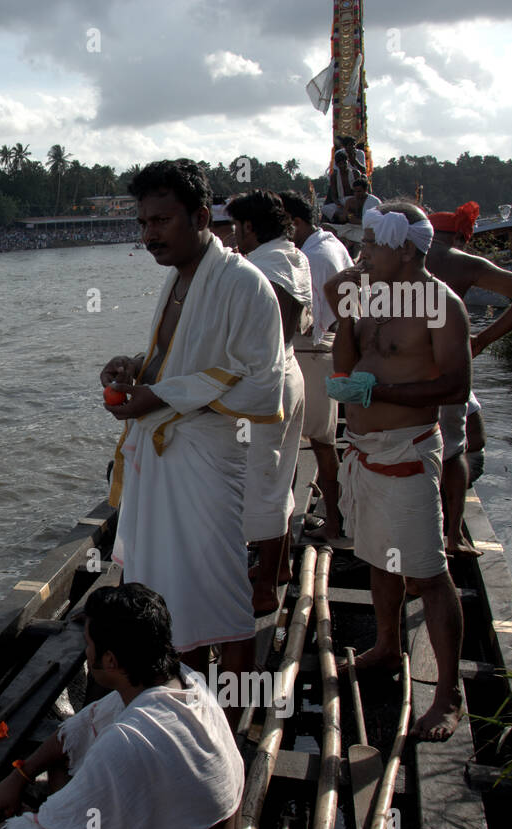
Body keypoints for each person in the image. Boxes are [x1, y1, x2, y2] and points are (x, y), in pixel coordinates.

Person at [100, 159, 284, 688]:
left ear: (201, 216)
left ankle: (231, 713)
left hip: (205, 458)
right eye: (143, 224)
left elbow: (261, 382)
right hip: (164, 456)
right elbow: (179, 361)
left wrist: (159, 393)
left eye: (160, 221)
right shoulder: (180, 280)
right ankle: (188, 697)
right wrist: (136, 368)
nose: (149, 234)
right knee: (166, 585)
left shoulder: (245, 285)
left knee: (221, 588)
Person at [0, 583, 243, 829]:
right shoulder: (182, 682)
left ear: (110, 661)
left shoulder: (129, 740)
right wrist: (20, 775)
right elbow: (77, 729)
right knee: (59, 768)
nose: (85, 650)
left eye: (88, 643)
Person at [324, 203, 471, 741]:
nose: (360, 253)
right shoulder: (372, 294)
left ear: (406, 248)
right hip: (365, 449)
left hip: (407, 450)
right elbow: (333, 295)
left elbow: (455, 385)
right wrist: (367, 266)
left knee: (429, 576)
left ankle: (449, 691)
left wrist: (377, 390)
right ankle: (387, 646)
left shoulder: (441, 306)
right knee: (377, 558)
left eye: (371, 243)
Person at [425, 201, 512, 554]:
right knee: (455, 448)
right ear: (459, 238)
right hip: (447, 364)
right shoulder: (461, 262)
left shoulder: (401, 260)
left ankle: (441, 525)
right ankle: (452, 534)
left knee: (447, 442)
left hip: (407, 367)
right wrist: (483, 339)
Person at [227, 190, 313, 618]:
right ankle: (277, 569)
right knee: (278, 479)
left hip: (268, 385)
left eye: (236, 228)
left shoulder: (266, 265)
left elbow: (266, 331)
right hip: (289, 374)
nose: (233, 238)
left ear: (249, 227)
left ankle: (263, 591)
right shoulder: (294, 255)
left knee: (262, 484)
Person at [281, 190, 354, 541]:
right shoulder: (330, 244)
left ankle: (315, 524)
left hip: (313, 352)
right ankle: (332, 519)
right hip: (325, 350)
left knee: (302, 444)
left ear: (294, 223)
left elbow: (306, 320)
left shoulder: (313, 257)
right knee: (321, 442)